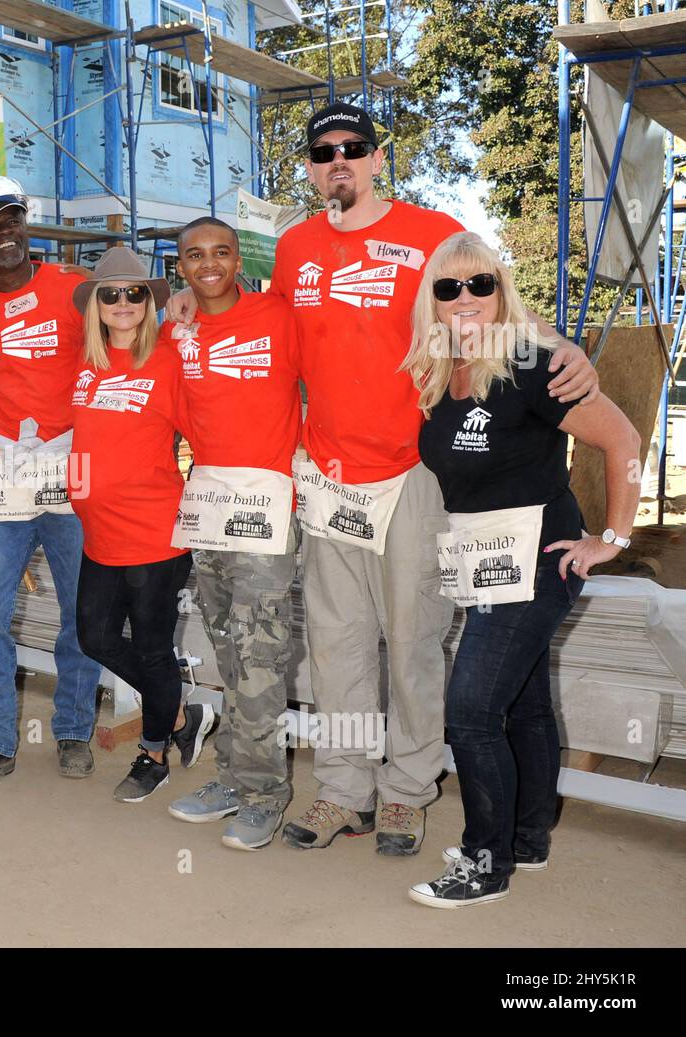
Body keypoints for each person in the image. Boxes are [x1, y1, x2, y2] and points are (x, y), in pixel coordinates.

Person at [172, 102, 598, 855]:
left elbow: (494, 298)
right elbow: (253, 317)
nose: (339, 159)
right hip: (329, 480)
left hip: (413, 475)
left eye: (354, 147)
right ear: (309, 166)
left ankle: (405, 791)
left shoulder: (429, 232)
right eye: (324, 150)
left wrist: (564, 348)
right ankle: (343, 788)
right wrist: (184, 300)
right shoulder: (294, 246)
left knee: (411, 643)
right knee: (337, 648)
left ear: (376, 158)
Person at [401, 233, 639, 906]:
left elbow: (622, 438)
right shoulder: (439, 370)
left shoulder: (534, 363)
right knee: (527, 704)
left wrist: (612, 538)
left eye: (481, 283)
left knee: (472, 712)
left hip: (539, 557)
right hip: (482, 561)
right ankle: (526, 838)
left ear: (502, 291)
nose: (466, 298)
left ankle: (486, 861)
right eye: (448, 288)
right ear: (433, 302)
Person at [158, 219, 304, 849]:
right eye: (195, 255)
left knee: (262, 656)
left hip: (267, 506)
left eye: (221, 252)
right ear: (181, 266)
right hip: (208, 503)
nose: (209, 264)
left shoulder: (279, 315)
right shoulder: (175, 329)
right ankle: (234, 779)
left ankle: (266, 794)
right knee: (225, 648)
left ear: (237, 256)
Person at [0, 174, 102, 783]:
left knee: (80, 609)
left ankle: (71, 730)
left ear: (26, 221)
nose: (4, 232)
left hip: (73, 469)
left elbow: (135, 325)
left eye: (11, 217)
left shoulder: (72, 287)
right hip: (8, 473)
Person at [66, 247, 196, 802]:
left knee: (151, 651)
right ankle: (179, 713)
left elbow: (206, 429)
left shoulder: (169, 359)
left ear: (149, 300)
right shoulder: (83, 363)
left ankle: (153, 752)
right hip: (100, 536)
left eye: (135, 292)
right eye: (110, 293)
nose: (123, 303)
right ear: (96, 303)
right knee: (94, 636)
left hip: (155, 537)